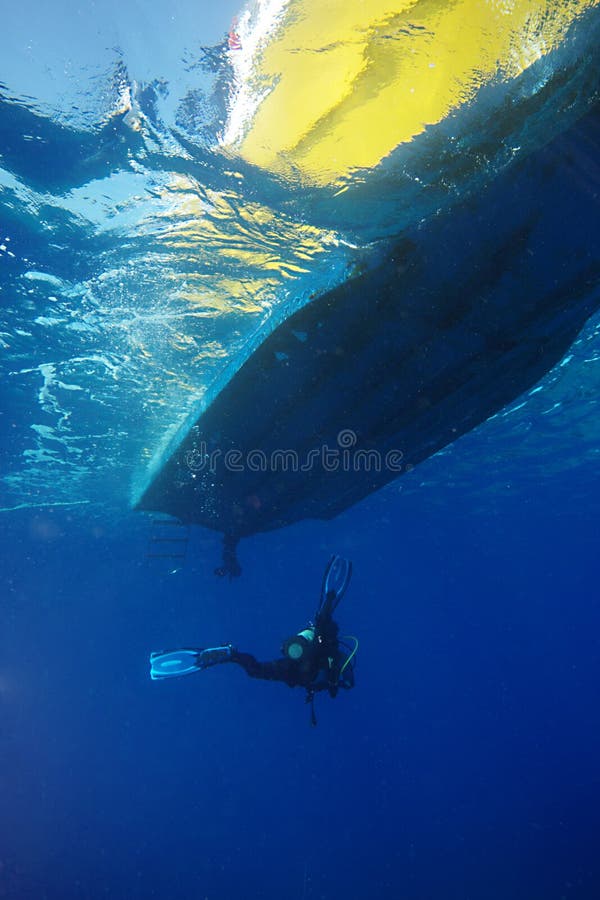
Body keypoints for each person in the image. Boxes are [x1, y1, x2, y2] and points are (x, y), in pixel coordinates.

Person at [150, 556, 358, 724]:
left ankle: (230, 654)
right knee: (256, 669)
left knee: (256, 668)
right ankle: (232, 655)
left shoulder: (332, 660)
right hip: (304, 662)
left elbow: (327, 655)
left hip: (297, 663)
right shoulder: (333, 667)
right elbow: (333, 679)